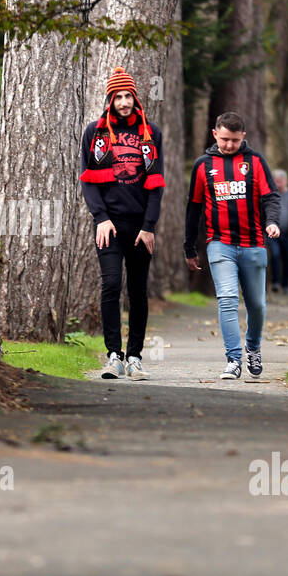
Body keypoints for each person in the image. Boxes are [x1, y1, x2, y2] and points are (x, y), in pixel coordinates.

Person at [80, 67, 164, 380]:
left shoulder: (150, 133)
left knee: (138, 290)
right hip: (109, 226)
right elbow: (88, 181)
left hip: (140, 225)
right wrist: (100, 217)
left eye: (129, 96)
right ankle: (114, 355)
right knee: (111, 284)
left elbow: (156, 183)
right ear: (110, 99)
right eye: (119, 97)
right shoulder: (96, 132)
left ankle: (135, 356)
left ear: (136, 98)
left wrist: (149, 225)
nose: (125, 102)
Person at [183, 112, 280, 379]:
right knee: (227, 299)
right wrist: (189, 248)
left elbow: (271, 197)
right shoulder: (203, 165)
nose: (229, 145)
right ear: (215, 134)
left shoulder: (255, 161)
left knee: (257, 305)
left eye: (235, 140)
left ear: (243, 137)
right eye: (224, 139)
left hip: (253, 244)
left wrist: (272, 222)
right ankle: (233, 359)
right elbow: (193, 208)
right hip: (219, 244)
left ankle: (254, 348)